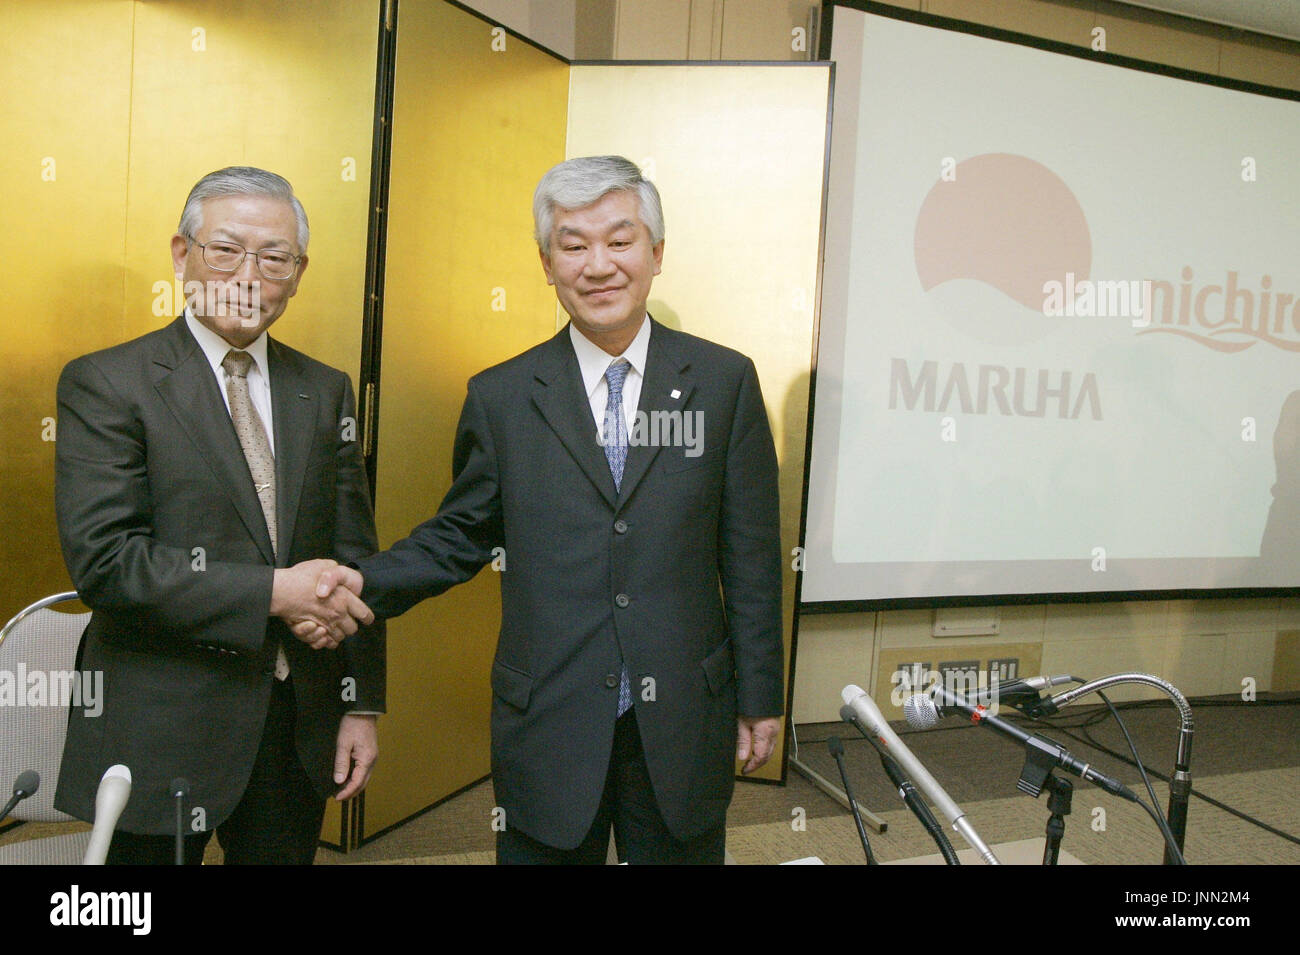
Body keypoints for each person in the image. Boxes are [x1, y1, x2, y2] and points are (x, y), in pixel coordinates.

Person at [313, 155, 784, 863]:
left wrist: (759, 694)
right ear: (545, 261)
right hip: (551, 716)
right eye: (573, 244)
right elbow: (458, 535)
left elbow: (750, 557)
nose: (598, 265)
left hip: (685, 710)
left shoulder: (723, 382)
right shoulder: (502, 397)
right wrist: (360, 586)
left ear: (657, 253)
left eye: (620, 241)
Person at [53, 166, 384, 864]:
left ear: (297, 274)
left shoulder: (323, 391)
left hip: (293, 725)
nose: (248, 274)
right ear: (182, 254)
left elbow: (353, 554)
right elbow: (109, 565)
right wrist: (277, 591)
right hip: (159, 724)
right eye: (225, 249)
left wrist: (361, 702)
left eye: (275, 257)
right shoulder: (108, 383)